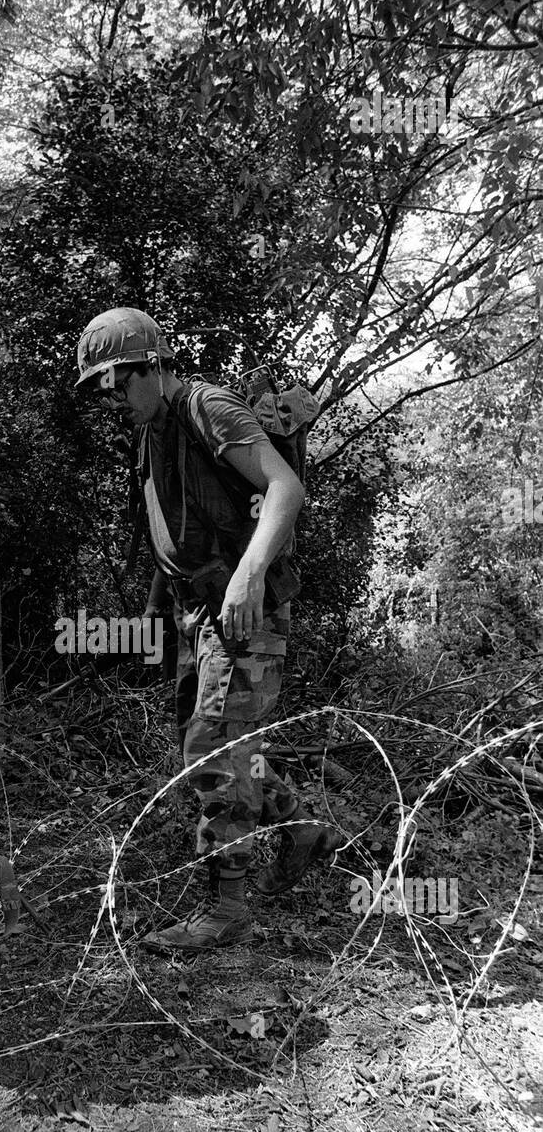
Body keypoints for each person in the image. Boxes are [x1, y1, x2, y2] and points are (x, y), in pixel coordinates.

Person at [75, 307, 340, 951]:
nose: (113, 398)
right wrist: (150, 612)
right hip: (200, 614)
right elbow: (174, 531)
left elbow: (284, 489)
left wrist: (250, 576)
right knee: (220, 744)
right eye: (102, 389)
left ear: (154, 366)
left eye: (120, 382)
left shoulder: (206, 408)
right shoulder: (152, 430)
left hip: (245, 607)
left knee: (214, 751)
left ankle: (228, 906)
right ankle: (303, 827)